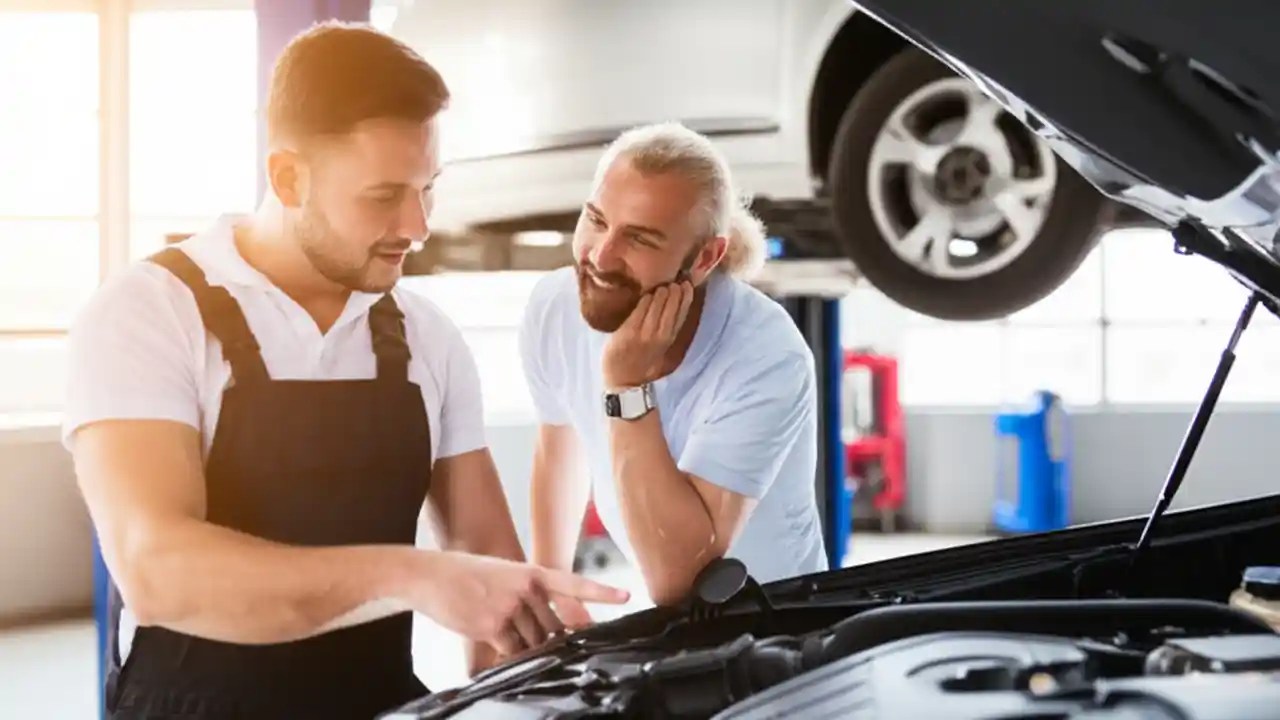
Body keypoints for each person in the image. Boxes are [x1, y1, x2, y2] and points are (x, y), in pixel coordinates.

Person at [64, 22, 626, 720]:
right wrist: (415, 574)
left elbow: (491, 578)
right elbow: (159, 572)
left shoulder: (426, 336)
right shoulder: (149, 313)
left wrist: (559, 679)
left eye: (429, 188)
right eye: (384, 195)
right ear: (288, 177)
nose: (418, 225)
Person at [519, 122, 829, 611]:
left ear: (705, 258)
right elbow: (560, 450)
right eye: (597, 220)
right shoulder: (555, 306)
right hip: (668, 621)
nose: (601, 256)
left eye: (638, 239)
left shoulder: (766, 355)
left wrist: (626, 387)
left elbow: (681, 578)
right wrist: (551, 587)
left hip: (779, 620)